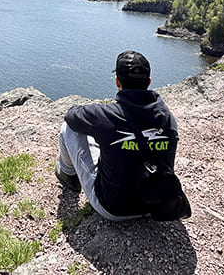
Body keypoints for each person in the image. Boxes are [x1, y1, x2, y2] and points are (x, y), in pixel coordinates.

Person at [56, 50, 180, 221]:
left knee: (68, 128)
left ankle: (68, 176)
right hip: (156, 203)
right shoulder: (167, 117)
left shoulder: (107, 116)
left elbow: (71, 116)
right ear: (149, 82)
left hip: (114, 209)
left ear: (117, 82)